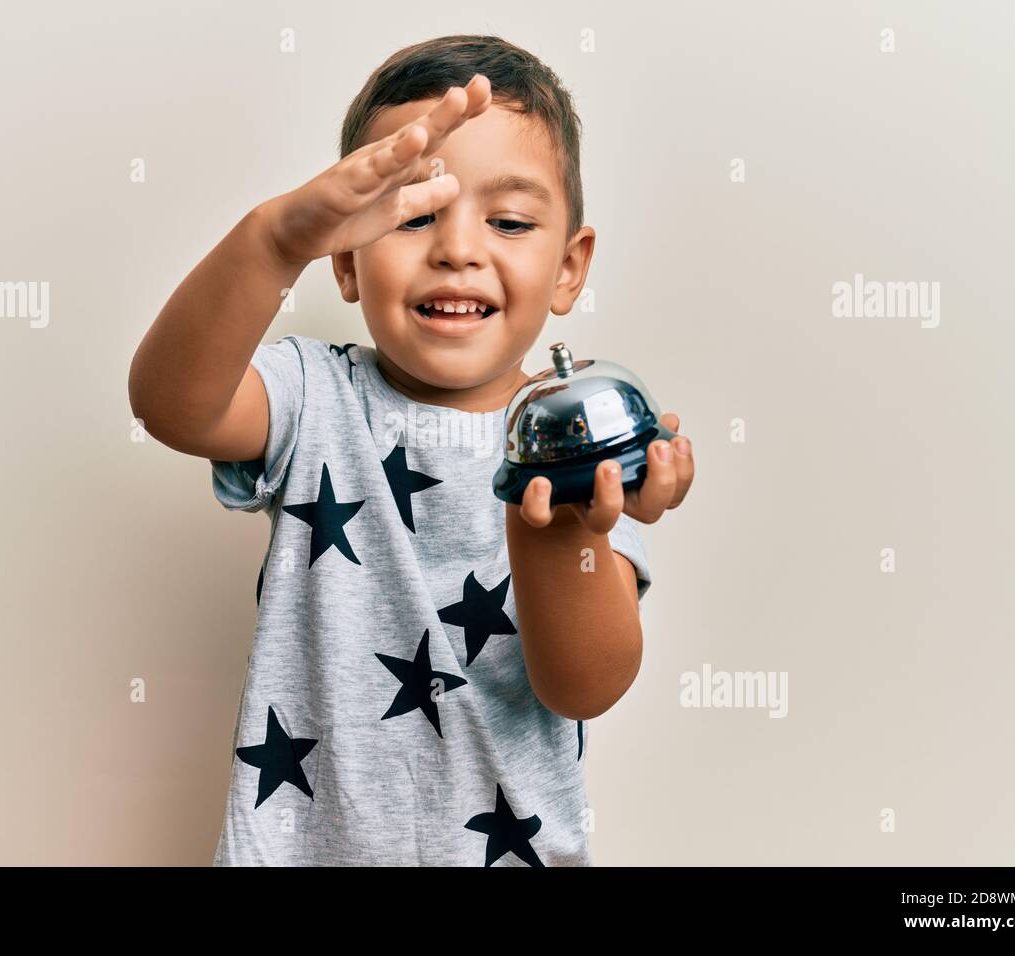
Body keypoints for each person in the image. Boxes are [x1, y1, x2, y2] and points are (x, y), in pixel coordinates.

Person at [128, 35, 695, 866]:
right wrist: (275, 240)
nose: (457, 249)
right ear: (347, 263)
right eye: (414, 214)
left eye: (507, 220)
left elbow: (586, 686)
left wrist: (560, 538)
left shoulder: (580, 441)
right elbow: (171, 404)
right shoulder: (313, 395)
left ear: (570, 267)